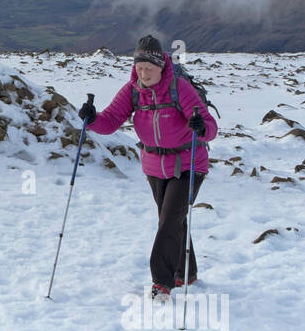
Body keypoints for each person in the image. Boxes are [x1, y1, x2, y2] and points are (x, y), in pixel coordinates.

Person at [79, 35, 218, 301]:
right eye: (139, 68)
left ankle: (162, 283)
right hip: (154, 166)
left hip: (188, 164)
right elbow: (110, 121)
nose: (144, 74)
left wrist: (201, 128)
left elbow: (209, 127)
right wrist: (92, 118)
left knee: (169, 222)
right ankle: (186, 273)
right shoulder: (132, 90)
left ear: (161, 67)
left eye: (149, 69)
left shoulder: (179, 88)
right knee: (172, 220)